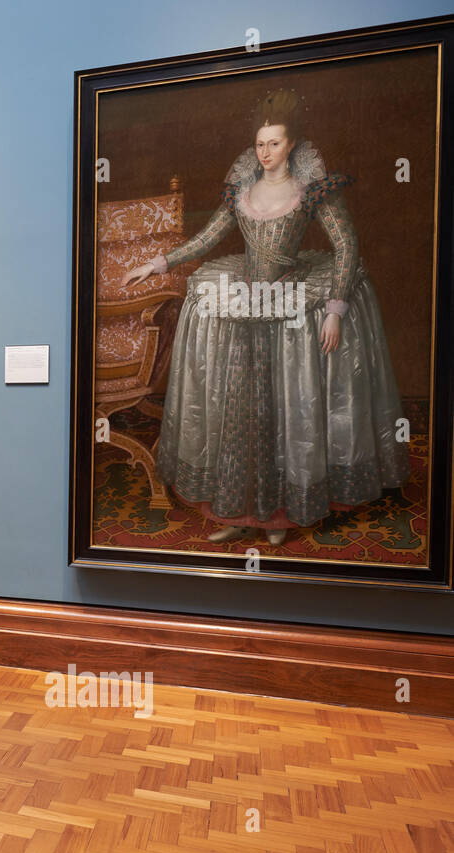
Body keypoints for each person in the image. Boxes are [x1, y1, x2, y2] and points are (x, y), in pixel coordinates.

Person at [122, 89, 410, 547]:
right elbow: (208, 237)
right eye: (260, 144)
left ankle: (281, 517)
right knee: (242, 415)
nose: (266, 152)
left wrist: (335, 309)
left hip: (291, 307)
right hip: (244, 304)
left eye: (274, 143)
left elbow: (347, 249)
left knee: (286, 414)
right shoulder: (242, 188)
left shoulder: (310, 188)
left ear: (291, 144)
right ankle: (241, 514)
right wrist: (157, 264)